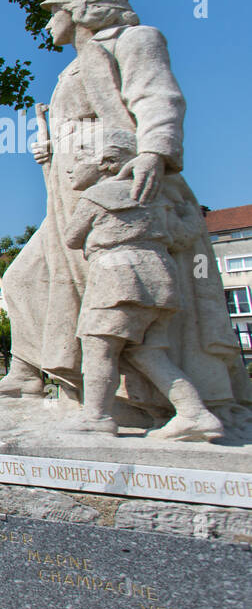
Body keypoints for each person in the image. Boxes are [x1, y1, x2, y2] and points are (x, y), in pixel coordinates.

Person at [0, 0, 252, 439]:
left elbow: (158, 98)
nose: (48, 23)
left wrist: (154, 151)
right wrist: (51, 151)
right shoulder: (76, 62)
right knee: (24, 277)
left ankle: (116, 405)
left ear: (80, 8)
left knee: (81, 303)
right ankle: (28, 373)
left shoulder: (136, 41)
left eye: (54, 11)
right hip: (73, 189)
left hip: (119, 187)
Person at [64, 156, 222, 441]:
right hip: (162, 280)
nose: (70, 168)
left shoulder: (96, 196)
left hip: (116, 279)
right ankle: (194, 413)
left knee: (99, 347)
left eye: (80, 159)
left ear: (107, 163)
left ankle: (96, 416)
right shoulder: (157, 199)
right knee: (149, 352)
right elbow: (182, 237)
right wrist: (191, 215)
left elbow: (71, 238)